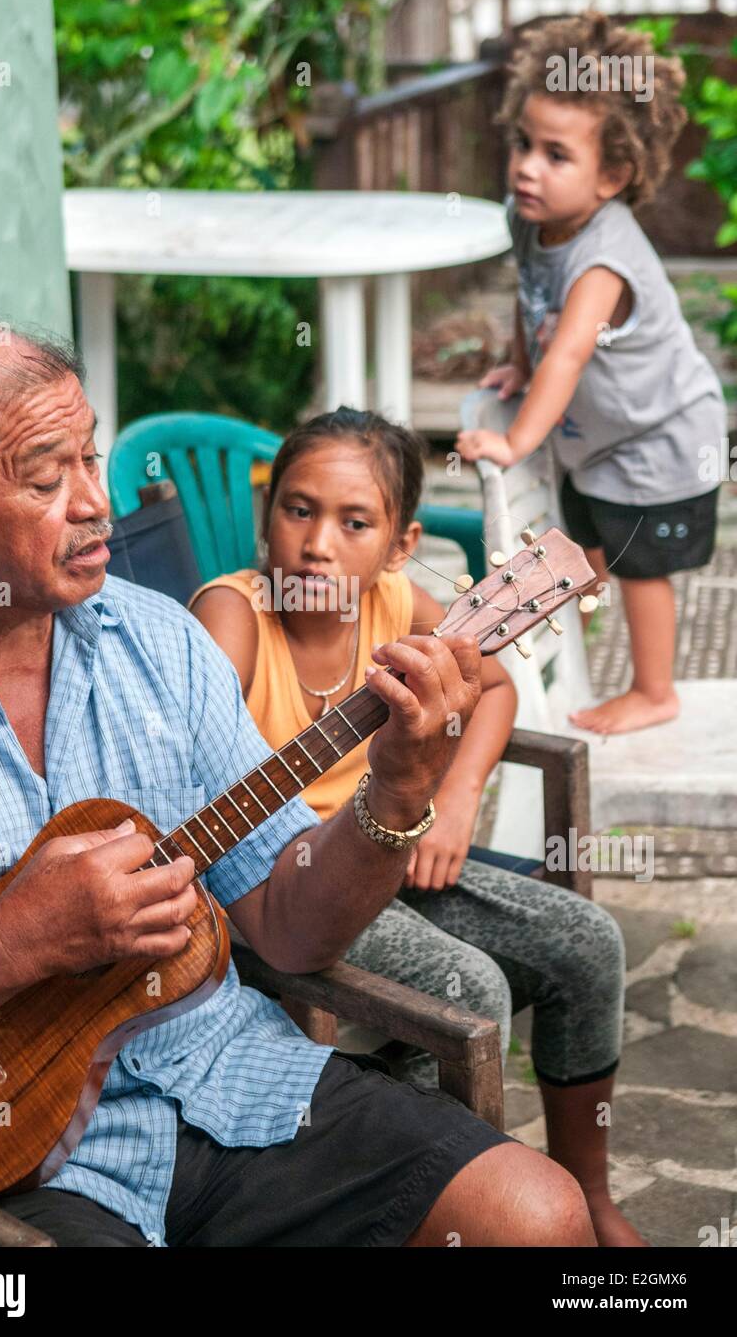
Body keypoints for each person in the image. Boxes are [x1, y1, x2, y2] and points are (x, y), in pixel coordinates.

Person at [0, 319, 598, 1249]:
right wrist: (18, 939)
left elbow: (294, 928)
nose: (96, 503)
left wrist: (399, 792)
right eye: (47, 479)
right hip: (2, 1174)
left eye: (93, 457)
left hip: (224, 1076)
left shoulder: (161, 643)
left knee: (536, 1217)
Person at [190, 406, 643, 1248]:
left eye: (353, 522)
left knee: (585, 940)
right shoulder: (233, 618)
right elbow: (195, 775)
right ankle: (451, 1203)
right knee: (468, 988)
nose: (318, 543)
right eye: (297, 509)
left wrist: (458, 797)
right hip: (268, 889)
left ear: (399, 545)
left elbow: (496, 687)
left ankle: (588, 1195)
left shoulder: (398, 601)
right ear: (268, 516)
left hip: (388, 849)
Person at [456, 11, 726, 735]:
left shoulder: (604, 259)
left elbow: (571, 349)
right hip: (601, 436)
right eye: (522, 143)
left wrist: (512, 445)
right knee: (590, 538)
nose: (525, 167)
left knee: (639, 565)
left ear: (612, 175)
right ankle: (566, 625)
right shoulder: (525, 216)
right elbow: (527, 296)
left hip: (659, 435)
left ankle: (653, 690)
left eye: (554, 155)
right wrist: (518, 365)